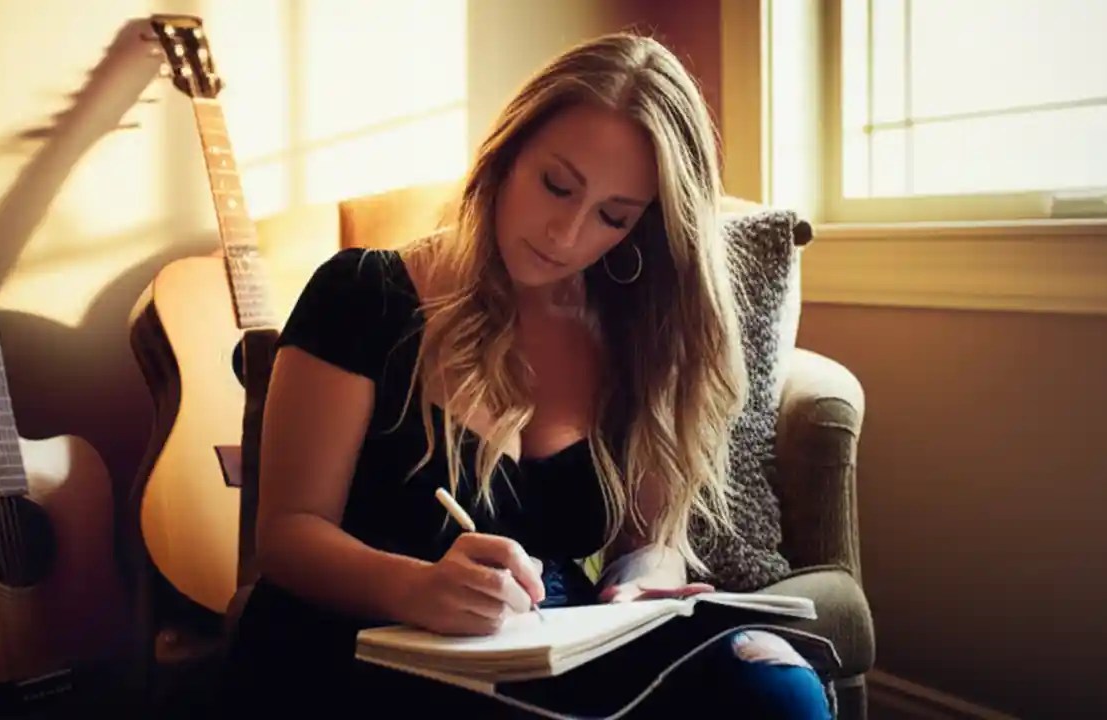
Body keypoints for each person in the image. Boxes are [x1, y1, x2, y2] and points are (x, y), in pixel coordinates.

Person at [221, 31, 837, 718]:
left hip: (541, 645)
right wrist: (414, 587)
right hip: (358, 641)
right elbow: (288, 534)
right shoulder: (362, 294)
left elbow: (647, 542)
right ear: (510, 152)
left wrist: (641, 584)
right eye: (556, 185)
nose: (566, 234)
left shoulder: (637, 333)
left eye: (612, 215)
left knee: (775, 688)